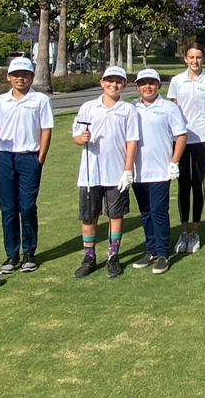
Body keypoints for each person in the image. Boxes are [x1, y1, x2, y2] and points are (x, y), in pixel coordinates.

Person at [0, 58, 54, 274]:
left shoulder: (40, 100)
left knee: (27, 207)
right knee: (8, 208)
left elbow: (46, 129)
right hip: (5, 157)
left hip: (29, 157)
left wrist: (39, 159)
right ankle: (11, 255)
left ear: (32, 76)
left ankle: (29, 253)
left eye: (25, 74)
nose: (20, 78)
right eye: (15, 74)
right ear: (8, 77)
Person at [72, 66, 139, 278]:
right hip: (90, 173)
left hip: (116, 173)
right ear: (102, 83)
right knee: (89, 216)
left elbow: (132, 141)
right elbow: (75, 136)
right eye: (110, 80)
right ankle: (89, 257)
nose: (114, 84)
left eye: (118, 81)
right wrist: (80, 139)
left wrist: (127, 170)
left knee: (115, 214)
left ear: (124, 85)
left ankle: (113, 255)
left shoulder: (128, 110)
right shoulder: (88, 108)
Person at [129, 69, 188, 275]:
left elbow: (181, 135)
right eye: (143, 83)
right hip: (137, 171)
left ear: (159, 85)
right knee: (145, 213)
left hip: (161, 170)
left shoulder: (169, 108)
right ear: (137, 87)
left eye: (152, 83)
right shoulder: (131, 108)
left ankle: (163, 253)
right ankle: (151, 250)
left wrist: (174, 161)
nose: (148, 86)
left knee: (158, 211)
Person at [168, 42, 205, 254]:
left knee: (197, 184)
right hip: (180, 140)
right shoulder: (177, 81)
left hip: (202, 139)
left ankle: (195, 231)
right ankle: (184, 231)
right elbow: (172, 109)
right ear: (185, 59)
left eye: (198, 57)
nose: (195, 61)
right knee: (183, 185)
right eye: (191, 57)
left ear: (203, 59)